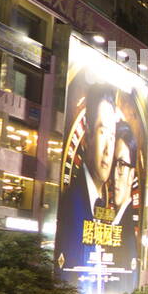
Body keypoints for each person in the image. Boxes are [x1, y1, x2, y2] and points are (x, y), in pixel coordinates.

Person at [54, 84, 120, 273]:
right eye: (102, 132)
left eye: (112, 136)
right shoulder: (69, 201)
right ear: (87, 135)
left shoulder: (108, 204)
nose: (108, 149)